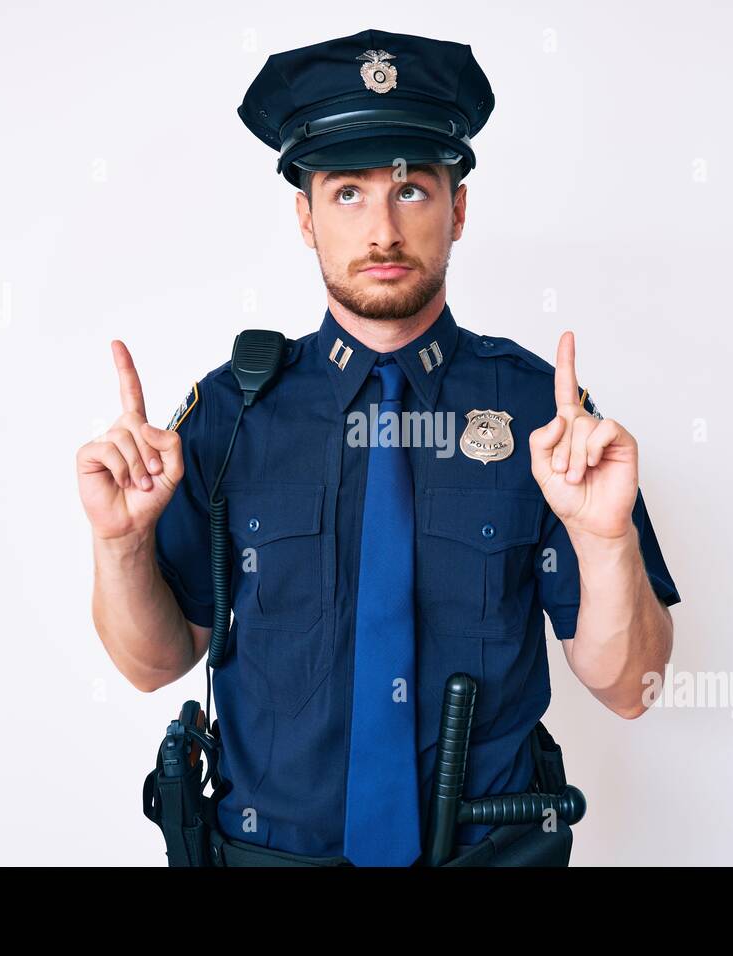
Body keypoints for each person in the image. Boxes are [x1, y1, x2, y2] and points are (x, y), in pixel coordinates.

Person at [77, 28, 681, 867]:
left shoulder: (545, 417)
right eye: (349, 193)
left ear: (458, 208)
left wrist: (605, 539)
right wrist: (121, 543)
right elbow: (155, 666)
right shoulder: (229, 412)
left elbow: (631, 689)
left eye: (413, 191)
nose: (383, 230)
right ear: (305, 216)